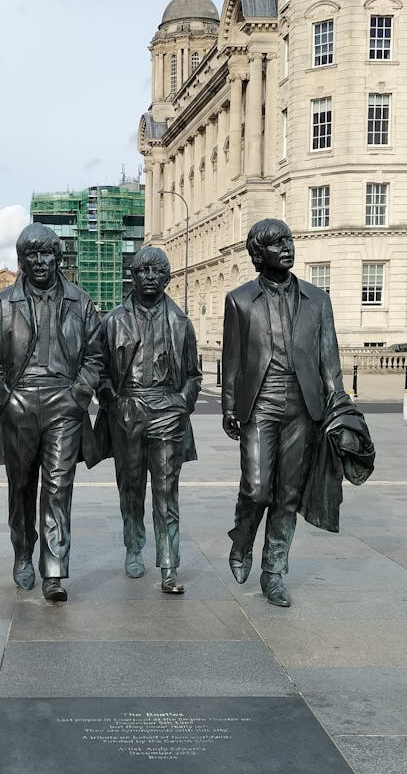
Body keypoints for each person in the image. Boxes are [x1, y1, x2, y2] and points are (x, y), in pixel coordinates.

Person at [221, 218, 344, 607]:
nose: (287, 248)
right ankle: (242, 538)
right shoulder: (239, 300)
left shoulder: (317, 300)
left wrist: (337, 406)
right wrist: (228, 407)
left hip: (304, 407)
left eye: (288, 240)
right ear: (259, 255)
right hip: (260, 403)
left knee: (288, 494)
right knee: (257, 489)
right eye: (276, 244)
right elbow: (233, 360)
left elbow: (330, 360)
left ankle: (273, 572)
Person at [0, 222, 102, 602]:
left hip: (64, 403)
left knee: (58, 487)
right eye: (32, 255)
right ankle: (22, 552)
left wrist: (78, 394)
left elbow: (96, 356)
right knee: (22, 487)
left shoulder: (80, 302)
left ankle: (54, 570)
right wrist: (2, 395)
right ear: (22, 261)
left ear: (58, 257)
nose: (41, 261)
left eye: (47, 253)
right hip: (18, 403)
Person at [96, 246, 201, 594]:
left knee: (166, 492)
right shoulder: (112, 322)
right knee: (131, 487)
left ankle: (169, 565)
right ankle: (133, 545)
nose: (151, 277)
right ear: (133, 276)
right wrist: (115, 403)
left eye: (158, 272)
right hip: (128, 409)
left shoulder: (181, 322)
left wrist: (181, 403)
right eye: (143, 271)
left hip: (167, 411)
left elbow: (193, 375)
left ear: (167, 278)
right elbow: (100, 372)